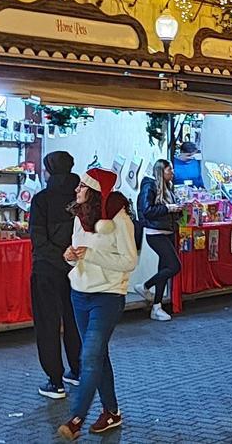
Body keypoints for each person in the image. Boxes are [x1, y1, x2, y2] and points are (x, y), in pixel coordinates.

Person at [57, 169, 138, 440]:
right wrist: (70, 257)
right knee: (98, 355)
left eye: (81, 186)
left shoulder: (119, 220)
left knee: (90, 356)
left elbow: (129, 261)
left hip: (108, 296)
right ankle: (112, 412)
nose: (76, 190)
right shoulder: (80, 217)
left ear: (93, 192)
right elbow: (76, 254)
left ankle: (76, 419)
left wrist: (91, 255)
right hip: (79, 294)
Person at [30, 151, 83, 399]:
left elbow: (39, 240)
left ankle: (55, 379)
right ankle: (77, 369)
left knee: (48, 323)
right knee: (74, 320)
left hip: (47, 269)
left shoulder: (42, 199)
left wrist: (59, 256)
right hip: (77, 269)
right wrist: (71, 256)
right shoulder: (82, 198)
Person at [136, 159, 182, 322]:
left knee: (164, 268)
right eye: (170, 170)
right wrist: (168, 208)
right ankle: (145, 286)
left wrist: (178, 209)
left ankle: (157, 306)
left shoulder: (168, 188)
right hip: (155, 232)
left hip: (168, 230)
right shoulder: (150, 186)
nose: (173, 173)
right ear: (161, 171)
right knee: (174, 266)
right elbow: (147, 210)